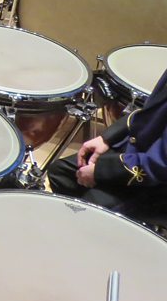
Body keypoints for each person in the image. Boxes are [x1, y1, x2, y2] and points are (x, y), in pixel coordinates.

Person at [47, 66, 167, 214]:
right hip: (142, 151)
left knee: (88, 207)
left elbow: (160, 165)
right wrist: (107, 138)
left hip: (158, 184)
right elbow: (149, 113)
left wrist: (100, 171)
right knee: (60, 172)